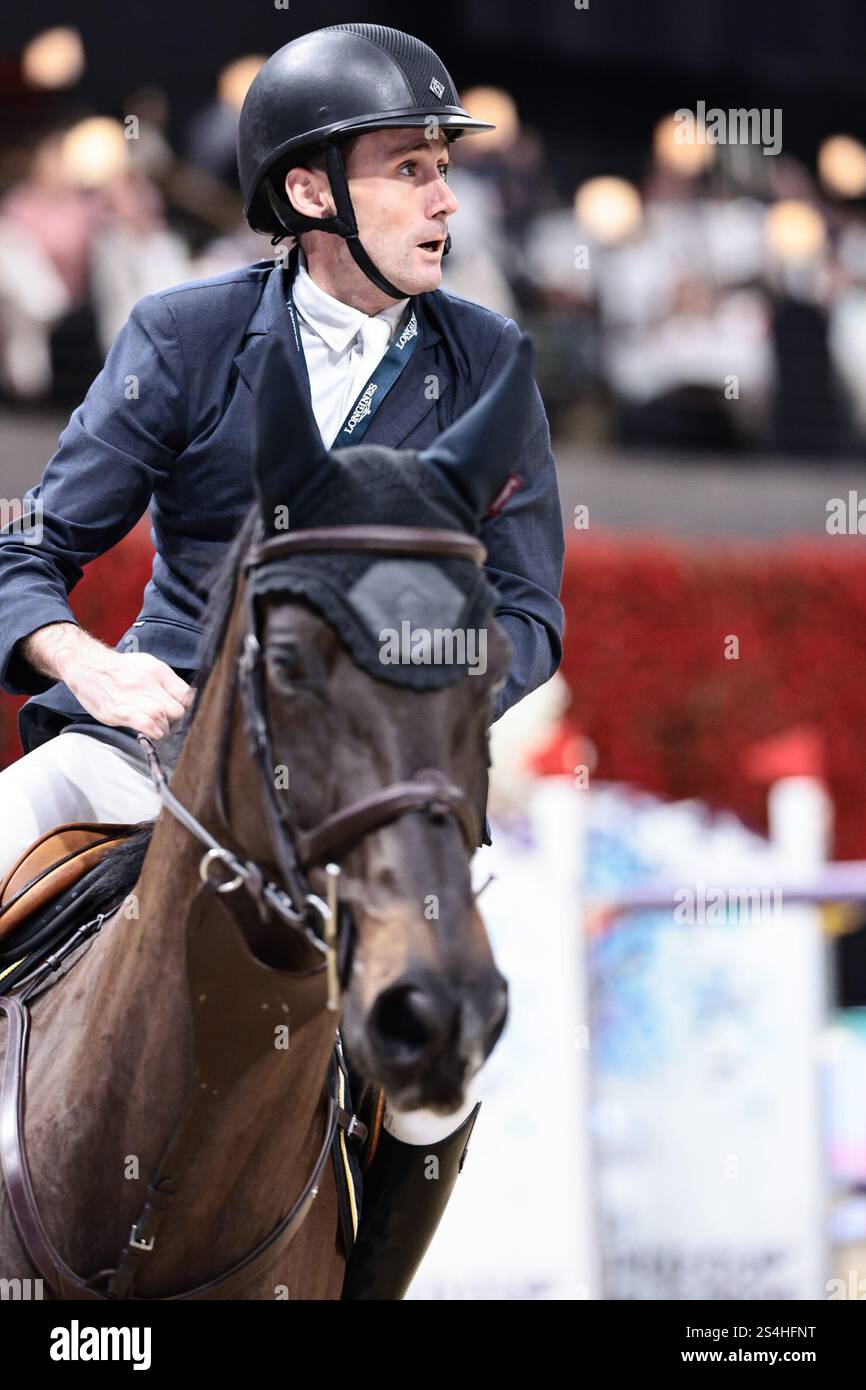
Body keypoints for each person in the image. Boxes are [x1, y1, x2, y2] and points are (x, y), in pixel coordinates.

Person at [0, 23, 565, 1298]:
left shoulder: (491, 365)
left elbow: (528, 612)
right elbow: (26, 552)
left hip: (362, 791)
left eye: (443, 165)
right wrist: (85, 665)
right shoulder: (185, 337)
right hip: (151, 750)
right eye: (407, 166)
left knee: (440, 1060)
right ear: (311, 192)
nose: (442, 195)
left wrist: (411, 699)